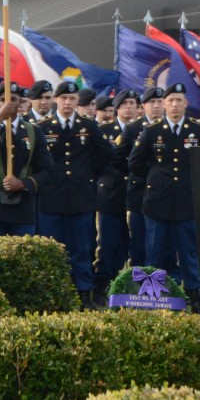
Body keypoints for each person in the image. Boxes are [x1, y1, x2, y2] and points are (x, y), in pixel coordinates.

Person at [128, 82, 200, 312]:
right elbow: (135, 163)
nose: (174, 105)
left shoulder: (198, 131)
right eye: (170, 101)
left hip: (187, 202)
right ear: (164, 105)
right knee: (154, 251)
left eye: (179, 101)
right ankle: (153, 297)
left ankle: (194, 296)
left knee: (189, 253)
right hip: (157, 203)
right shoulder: (152, 131)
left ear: (186, 104)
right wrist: (155, 181)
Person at [36, 80, 115, 307]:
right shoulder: (43, 127)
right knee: (53, 250)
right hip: (51, 197)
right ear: (55, 100)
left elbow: (107, 154)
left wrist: (88, 173)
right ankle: (54, 295)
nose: (68, 103)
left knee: (82, 247)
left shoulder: (87, 126)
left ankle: (84, 293)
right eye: (63, 98)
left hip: (81, 197)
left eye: (72, 99)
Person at [0, 86, 53, 239]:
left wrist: (23, 183)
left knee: (21, 258)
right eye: (3, 100)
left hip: (22, 208)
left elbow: (47, 170)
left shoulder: (33, 131)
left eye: (13, 99)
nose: (8, 104)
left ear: (21, 103)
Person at [116, 86, 166, 268]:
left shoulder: (169, 127)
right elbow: (120, 159)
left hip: (165, 194)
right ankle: (137, 283)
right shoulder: (133, 129)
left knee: (163, 244)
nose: (156, 106)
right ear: (143, 106)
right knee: (139, 242)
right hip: (139, 192)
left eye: (160, 102)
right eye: (152, 102)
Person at [95, 88, 137, 295]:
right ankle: (103, 283)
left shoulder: (143, 129)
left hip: (135, 195)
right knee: (107, 243)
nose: (129, 107)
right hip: (110, 194)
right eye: (124, 104)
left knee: (130, 243)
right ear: (117, 108)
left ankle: (129, 284)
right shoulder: (103, 130)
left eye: (132, 103)